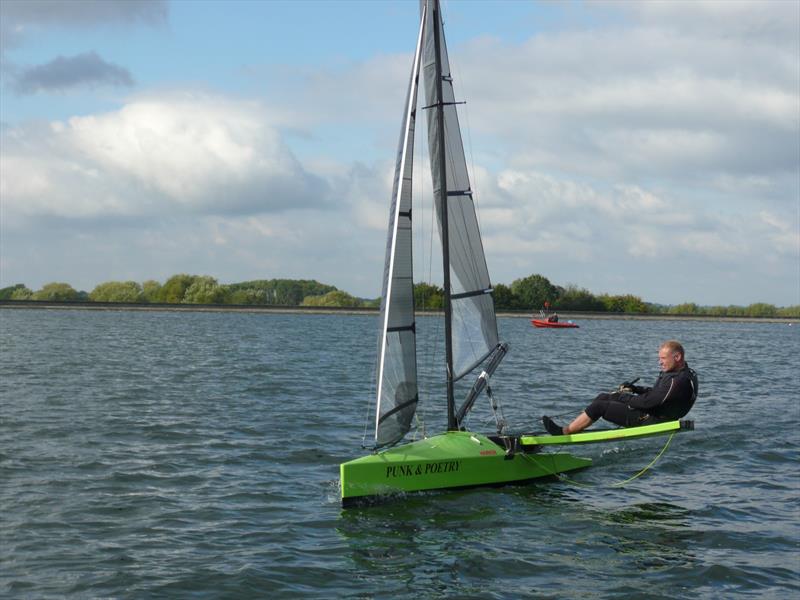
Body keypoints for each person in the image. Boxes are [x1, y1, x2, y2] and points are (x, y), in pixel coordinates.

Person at [542, 340, 698, 435]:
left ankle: (564, 432)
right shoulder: (679, 375)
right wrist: (635, 389)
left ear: (677, 357)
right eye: (659, 358)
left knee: (600, 406)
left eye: (663, 358)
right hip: (652, 414)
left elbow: (647, 403)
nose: (660, 362)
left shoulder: (677, 381)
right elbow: (659, 395)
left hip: (650, 421)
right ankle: (577, 425)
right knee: (604, 396)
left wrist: (622, 397)